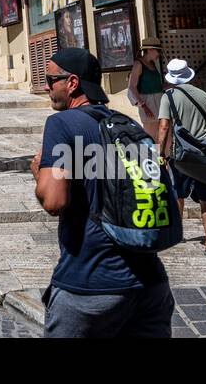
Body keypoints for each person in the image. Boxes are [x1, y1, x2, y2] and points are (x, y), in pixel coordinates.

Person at [30, 47, 174, 337]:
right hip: (150, 284)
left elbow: (54, 200)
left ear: (72, 83)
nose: (45, 85)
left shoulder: (62, 124)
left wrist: (38, 173)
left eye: (50, 78)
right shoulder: (127, 125)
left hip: (90, 285)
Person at [157, 58, 206, 258]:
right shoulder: (204, 95)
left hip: (181, 155)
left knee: (178, 195)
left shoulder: (168, 96)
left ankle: (177, 234)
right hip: (204, 156)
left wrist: (160, 153)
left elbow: (164, 127)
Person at [126, 37, 165, 139]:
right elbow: (132, 87)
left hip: (159, 102)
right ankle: (148, 155)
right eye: (158, 51)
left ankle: (163, 155)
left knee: (162, 135)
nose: (159, 54)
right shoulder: (138, 64)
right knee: (151, 136)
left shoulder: (153, 64)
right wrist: (144, 106)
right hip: (148, 104)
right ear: (150, 50)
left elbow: (156, 86)